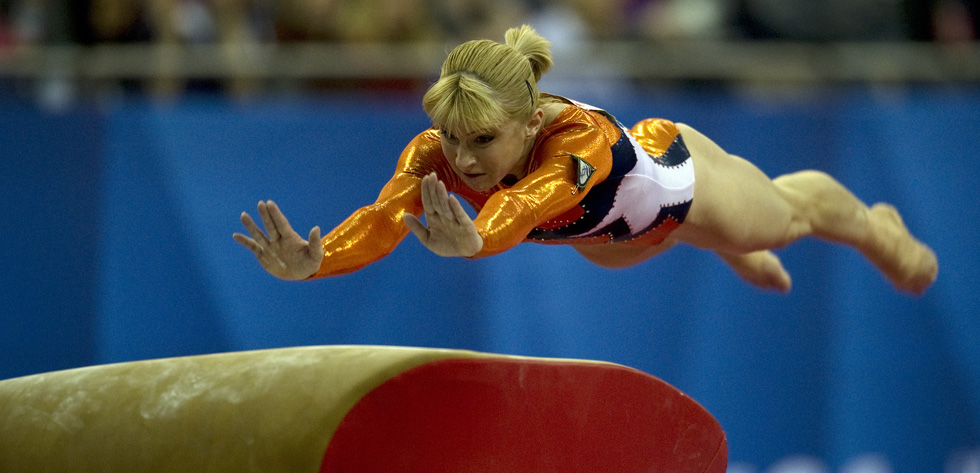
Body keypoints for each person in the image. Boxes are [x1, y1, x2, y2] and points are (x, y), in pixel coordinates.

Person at [233, 25, 938, 295]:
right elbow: (385, 220)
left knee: (779, 221)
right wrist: (316, 260)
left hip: (676, 182)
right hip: (609, 240)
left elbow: (526, 205)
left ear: (530, 118)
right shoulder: (432, 155)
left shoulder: (576, 141)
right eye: (451, 137)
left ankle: (877, 226)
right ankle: (715, 246)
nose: (462, 160)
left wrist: (476, 240)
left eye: (483, 141)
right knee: (656, 243)